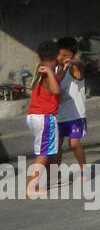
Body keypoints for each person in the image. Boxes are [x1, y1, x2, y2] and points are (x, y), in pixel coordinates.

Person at [24, 40, 62, 197]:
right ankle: (31, 186)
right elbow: (55, 90)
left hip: (34, 115)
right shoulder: (47, 72)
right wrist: (51, 73)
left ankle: (49, 179)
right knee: (44, 152)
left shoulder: (39, 69)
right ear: (55, 57)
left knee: (48, 150)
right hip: (45, 117)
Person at [54, 36, 88, 182]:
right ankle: (56, 172)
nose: (62, 58)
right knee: (56, 147)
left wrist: (72, 61)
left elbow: (80, 64)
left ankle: (83, 169)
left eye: (66, 55)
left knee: (74, 144)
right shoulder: (55, 70)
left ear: (74, 55)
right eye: (60, 55)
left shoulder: (75, 69)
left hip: (76, 116)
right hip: (59, 115)